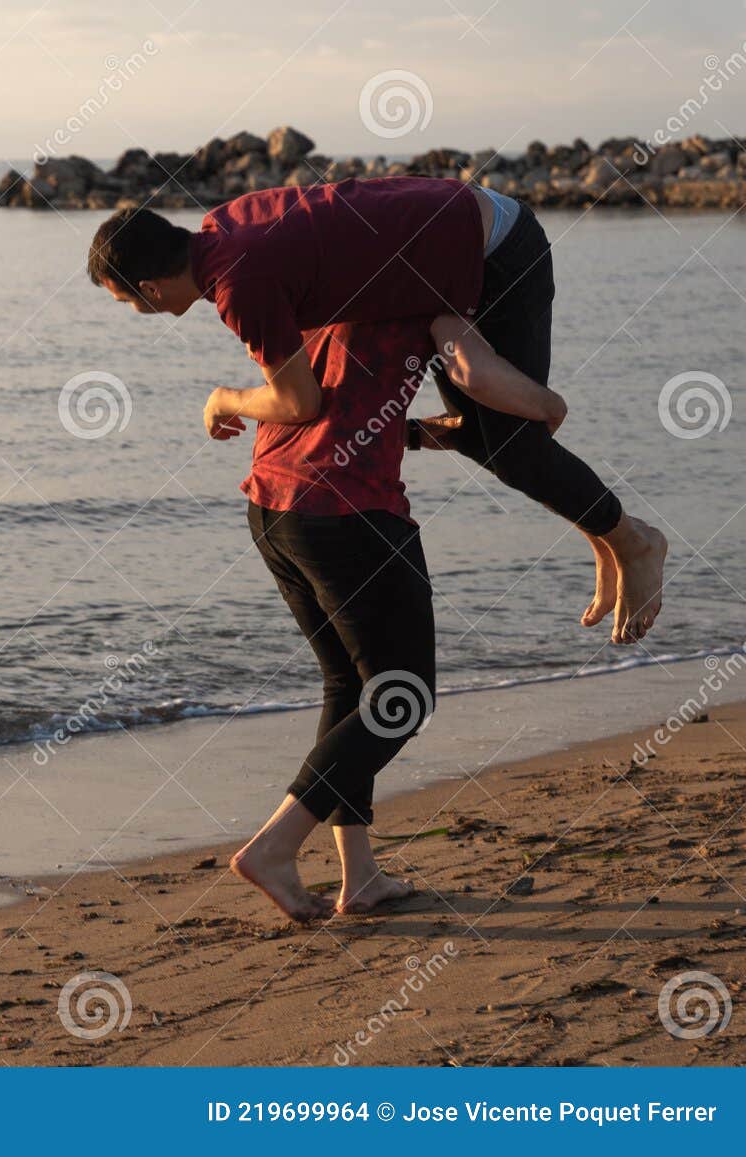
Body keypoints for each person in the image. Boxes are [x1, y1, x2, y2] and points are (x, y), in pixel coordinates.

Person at [86, 178, 667, 646]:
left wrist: (224, 400)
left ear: (149, 288)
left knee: (510, 446)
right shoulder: (224, 227)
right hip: (463, 227)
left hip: (496, 252)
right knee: (485, 436)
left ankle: (634, 543)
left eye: (127, 302)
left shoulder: (240, 283)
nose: (139, 312)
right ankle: (610, 540)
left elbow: (298, 401)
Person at [228, 316, 440, 920]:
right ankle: (275, 845)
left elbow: (336, 405)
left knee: (351, 685)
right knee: (406, 695)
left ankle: (360, 876)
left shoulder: (327, 286)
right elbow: (487, 389)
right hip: (349, 514)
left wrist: (418, 433)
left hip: (273, 506)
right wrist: (541, 410)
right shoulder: (427, 289)